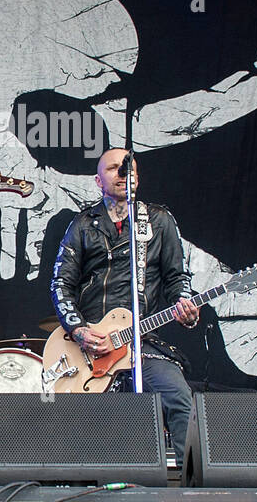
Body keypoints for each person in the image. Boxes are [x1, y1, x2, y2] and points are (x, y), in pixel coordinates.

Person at [49, 148, 198, 463]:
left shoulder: (158, 221)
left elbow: (177, 277)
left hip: (140, 341)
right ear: (98, 180)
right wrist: (78, 330)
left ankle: (193, 493)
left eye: (128, 168)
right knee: (78, 424)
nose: (122, 173)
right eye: (114, 168)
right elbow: (61, 284)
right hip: (92, 346)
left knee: (179, 398)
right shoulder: (82, 225)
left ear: (137, 177)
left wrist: (185, 304)